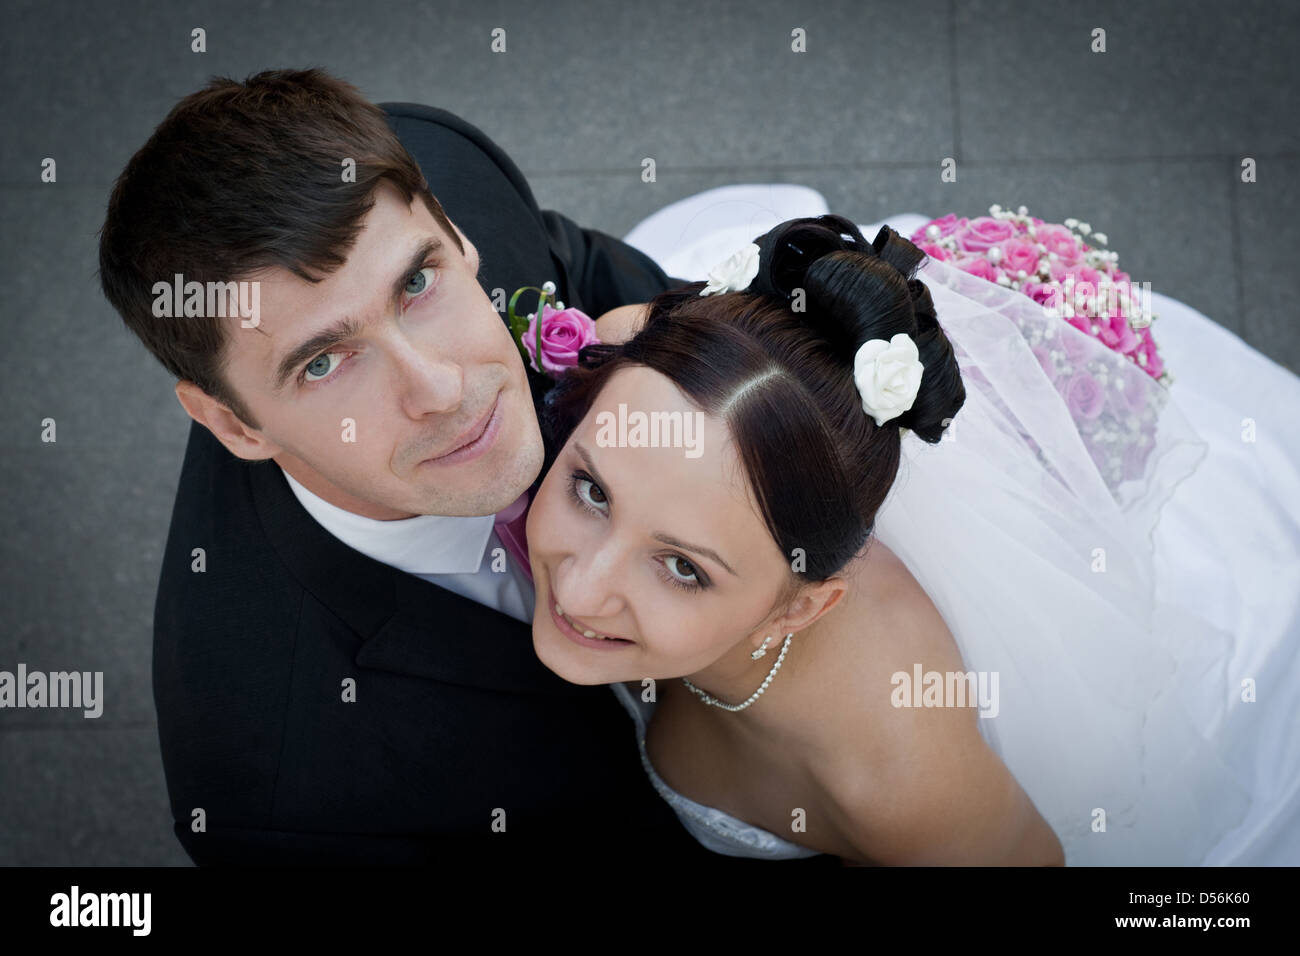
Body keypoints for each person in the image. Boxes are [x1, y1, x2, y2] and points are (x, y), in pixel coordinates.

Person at [97, 67, 834, 867]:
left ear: (452, 231)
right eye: (324, 364)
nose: (441, 389)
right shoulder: (283, 802)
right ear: (233, 424)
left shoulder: (442, 163)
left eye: (416, 284)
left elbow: (610, 290)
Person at [524, 211, 1300, 865]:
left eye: (684, 568)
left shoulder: (901, 783)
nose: (580, 587)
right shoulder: (628, 357)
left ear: (800, 608)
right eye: (592, 490)